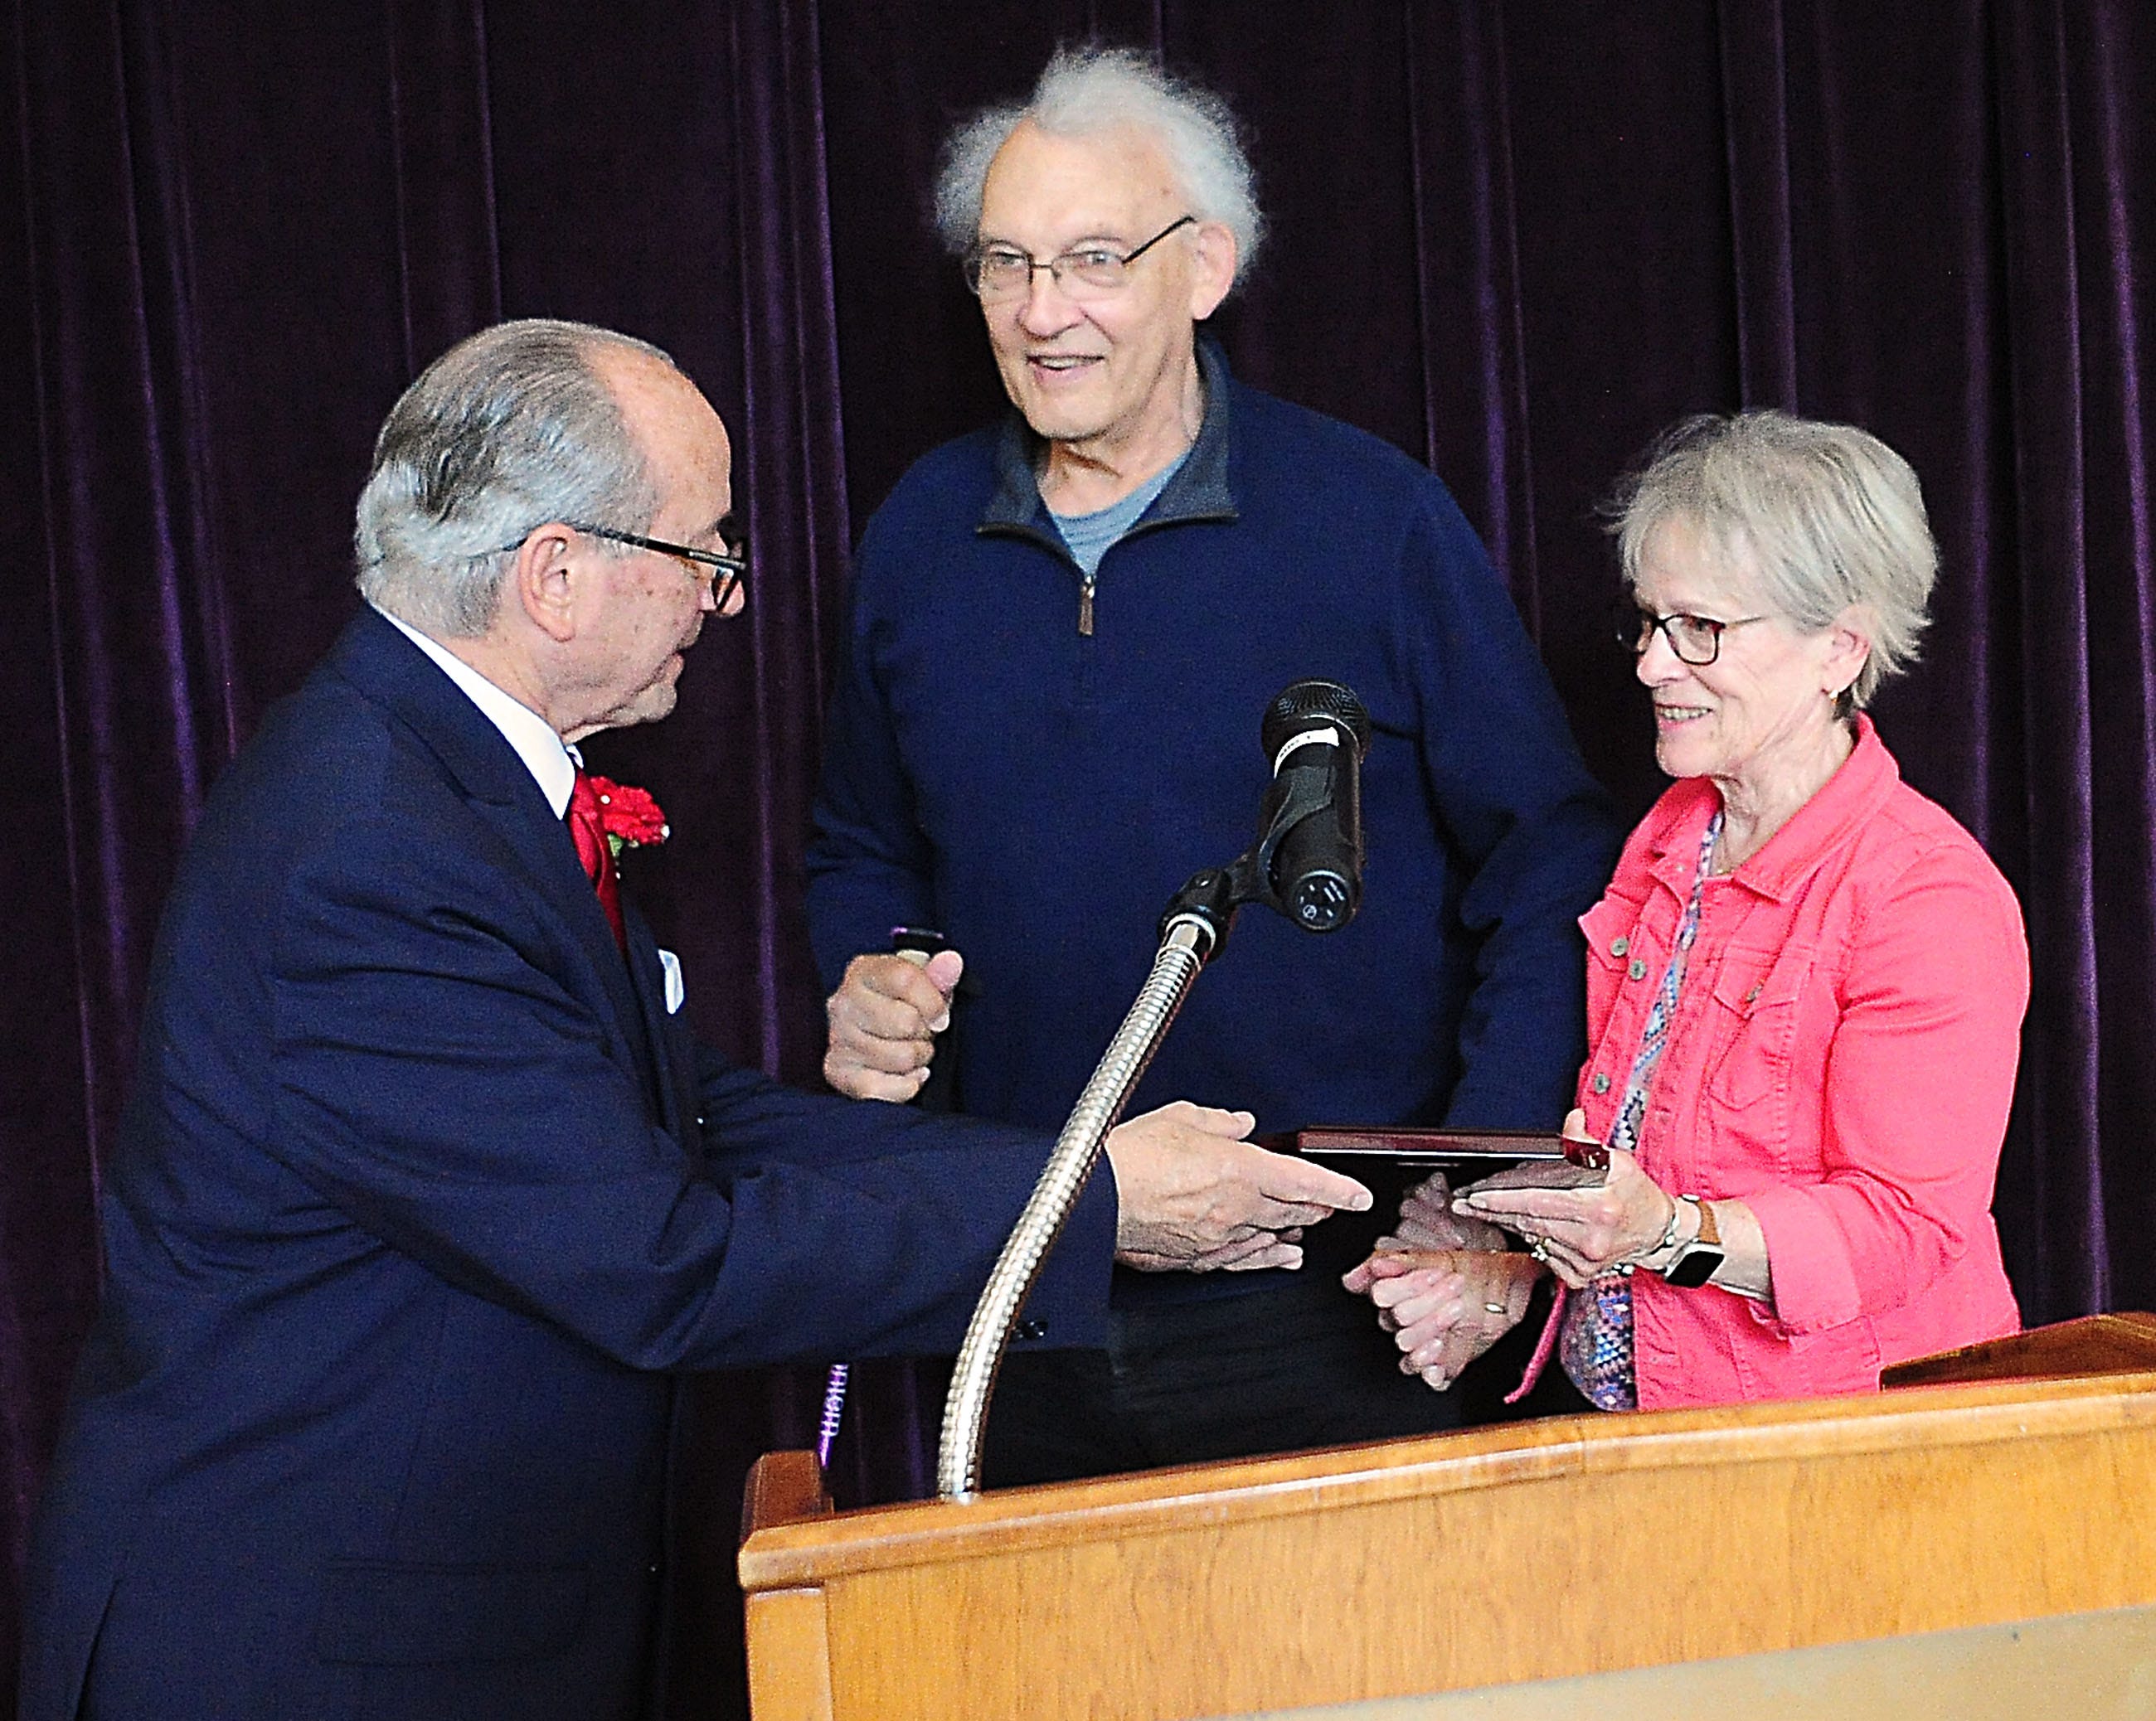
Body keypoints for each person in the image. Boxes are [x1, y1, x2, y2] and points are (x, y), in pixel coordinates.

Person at [16, 318, 1372, 1721]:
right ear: (557, 575)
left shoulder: (444, 778)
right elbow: (656, 1256)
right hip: (309, 1653)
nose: (725, 601)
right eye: (706, 554)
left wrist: (1069, 1178)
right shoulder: (367, 848)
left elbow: (692, 1116)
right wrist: (1091, 1214)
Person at [808, 47, 1621, 1484]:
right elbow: (861, 847)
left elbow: (1548, 854)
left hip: (1335, 1310)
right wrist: (869, 974)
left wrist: (1484, 1195)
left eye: (1094, 260)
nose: (1044, 312)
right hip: (1021, 1288)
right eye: (1006, 264)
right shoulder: (916, 539)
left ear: (1207, 269)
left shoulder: (1375, 520)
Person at [1353, 410, 2027, 1410]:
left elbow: (1902, 1227)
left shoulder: (1925, 895)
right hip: (1631, 1435)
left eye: (1699, 630)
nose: (1649, 666)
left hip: (1836, 1450)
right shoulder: (1672, 832)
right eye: (1648, 621)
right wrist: (1504, 1266)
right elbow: (1635, 1147)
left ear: (1838, 648)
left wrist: (1664, 1234)